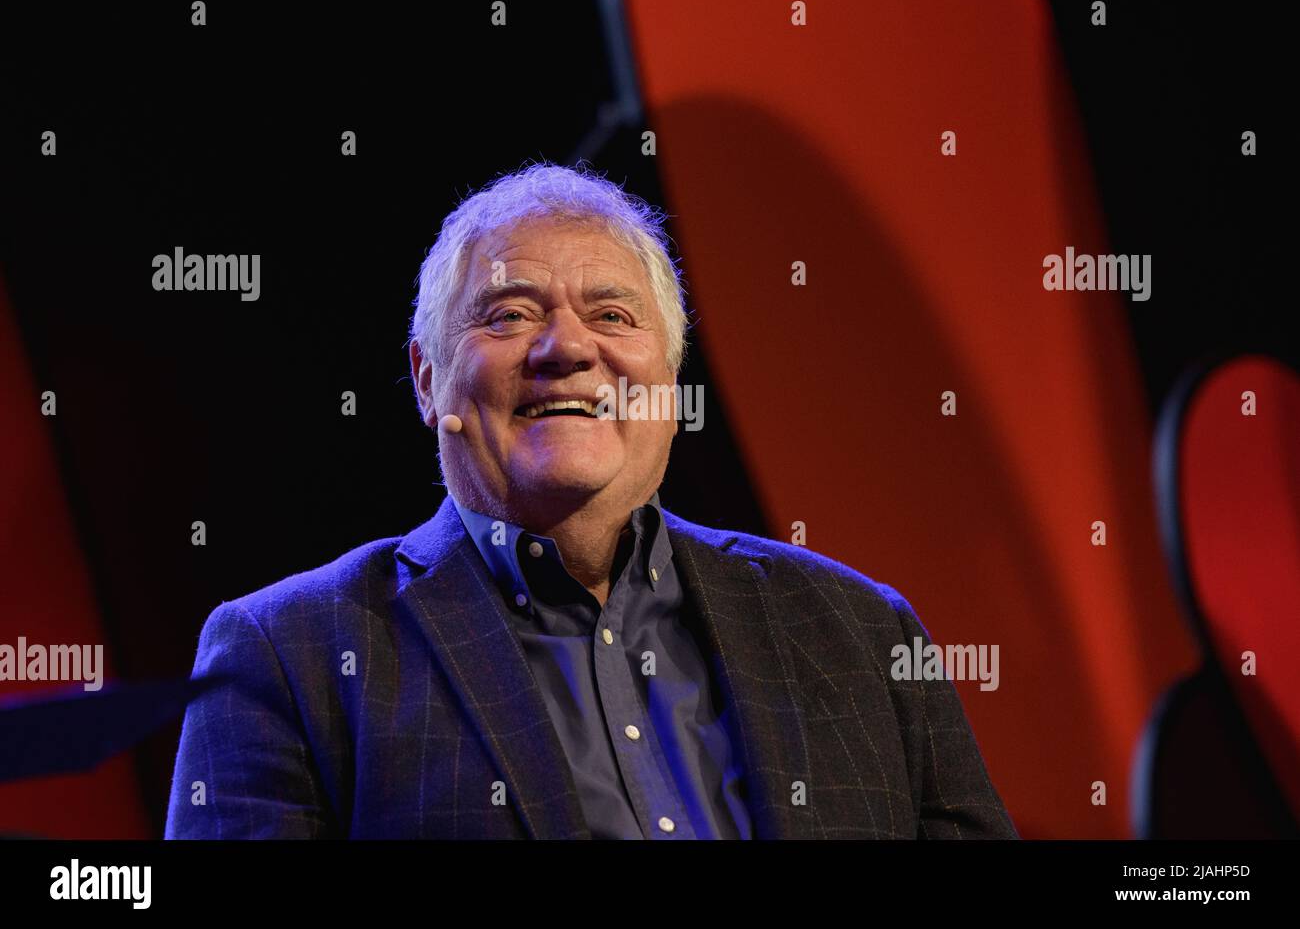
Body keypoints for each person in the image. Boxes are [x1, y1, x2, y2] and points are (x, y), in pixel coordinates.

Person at [165, 161, 1017, 839]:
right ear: (428, 382)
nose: (566, 346)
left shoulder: (863, 632)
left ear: (670, 383)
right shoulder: (289, 654)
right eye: (506, 316)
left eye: (612, 314)